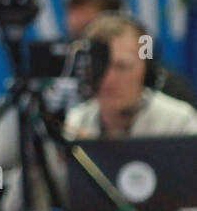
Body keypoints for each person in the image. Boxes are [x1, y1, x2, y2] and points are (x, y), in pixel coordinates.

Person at [62, 14, 197, 139]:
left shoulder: (180, 125)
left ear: (147, 70)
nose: (109, 79)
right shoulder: (74, 125)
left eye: (122, 66)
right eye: (100, 67)